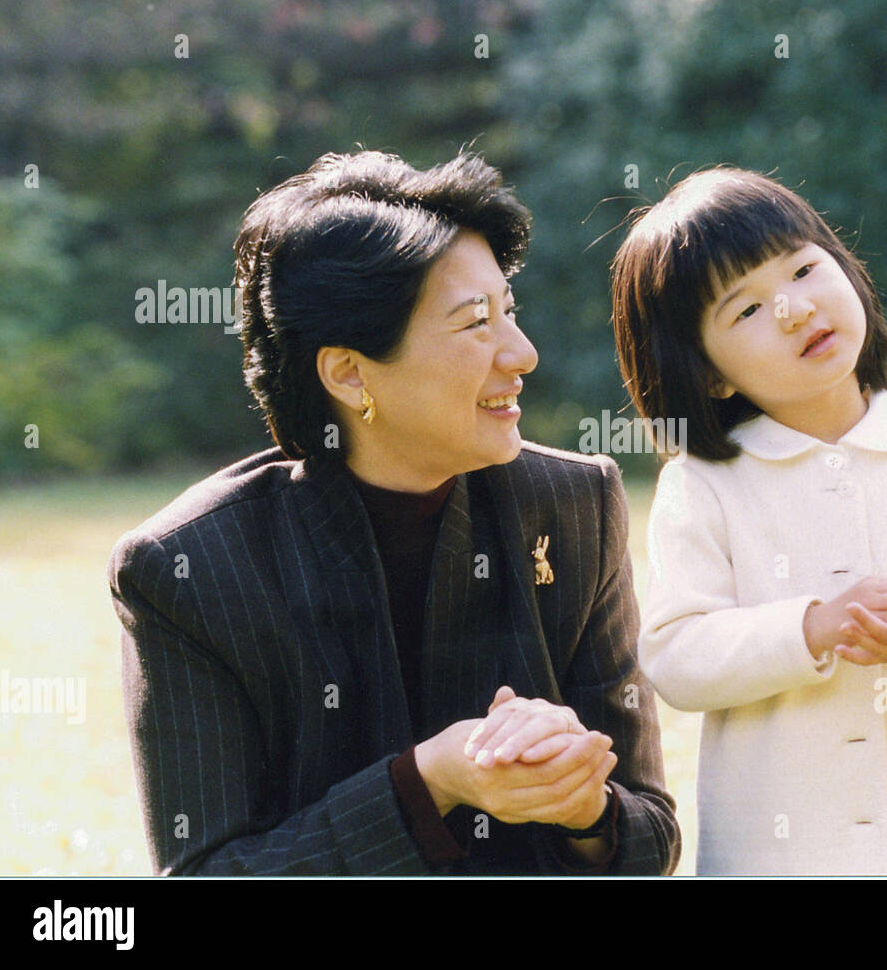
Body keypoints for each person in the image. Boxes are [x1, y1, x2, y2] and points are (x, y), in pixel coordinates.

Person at [108, 150, 680, 875]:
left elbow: (652, 835)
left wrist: (583, 804)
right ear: (349, 373)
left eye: (510, 310)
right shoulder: (188, 568)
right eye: (477, 323)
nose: (523, 353)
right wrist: (429, 781)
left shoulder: (572, 506)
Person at [609, 167, 887, 875]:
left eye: (802, 269)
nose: (793, 308)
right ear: (709, 375)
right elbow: (677, 654)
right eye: (746, 310)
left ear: (845, 269)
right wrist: (813, 626)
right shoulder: (704, 486)